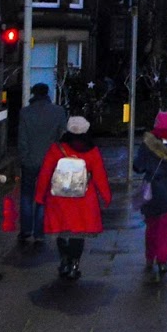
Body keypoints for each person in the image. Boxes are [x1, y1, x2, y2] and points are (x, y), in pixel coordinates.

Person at [34, 116, 111, 281]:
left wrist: (40, 196)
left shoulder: (56, 149)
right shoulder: (92, 151)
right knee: (78, 234)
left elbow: (45, 173)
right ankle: (74, 264)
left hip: (59, 198)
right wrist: (106, 197)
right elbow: (100, 176)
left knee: (61, 231)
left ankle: (64, 260)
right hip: (83, 199)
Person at [133, 111, 167, 282]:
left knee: (152, 227)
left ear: (157, 123)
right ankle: (163, 260)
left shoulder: (148, 144)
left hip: (153, 192)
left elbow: (138, 167)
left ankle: (150, 257)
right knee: (166, 228)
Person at [16, 83, 68, 246]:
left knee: (26, 195)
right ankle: (39, 232)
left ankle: (26, 230)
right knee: (43, 196)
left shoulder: (25, 113)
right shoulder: (58, 112)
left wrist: (24, 157)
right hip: (50, 161)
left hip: (30, 159)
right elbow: (62, 136)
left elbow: (22, 138)